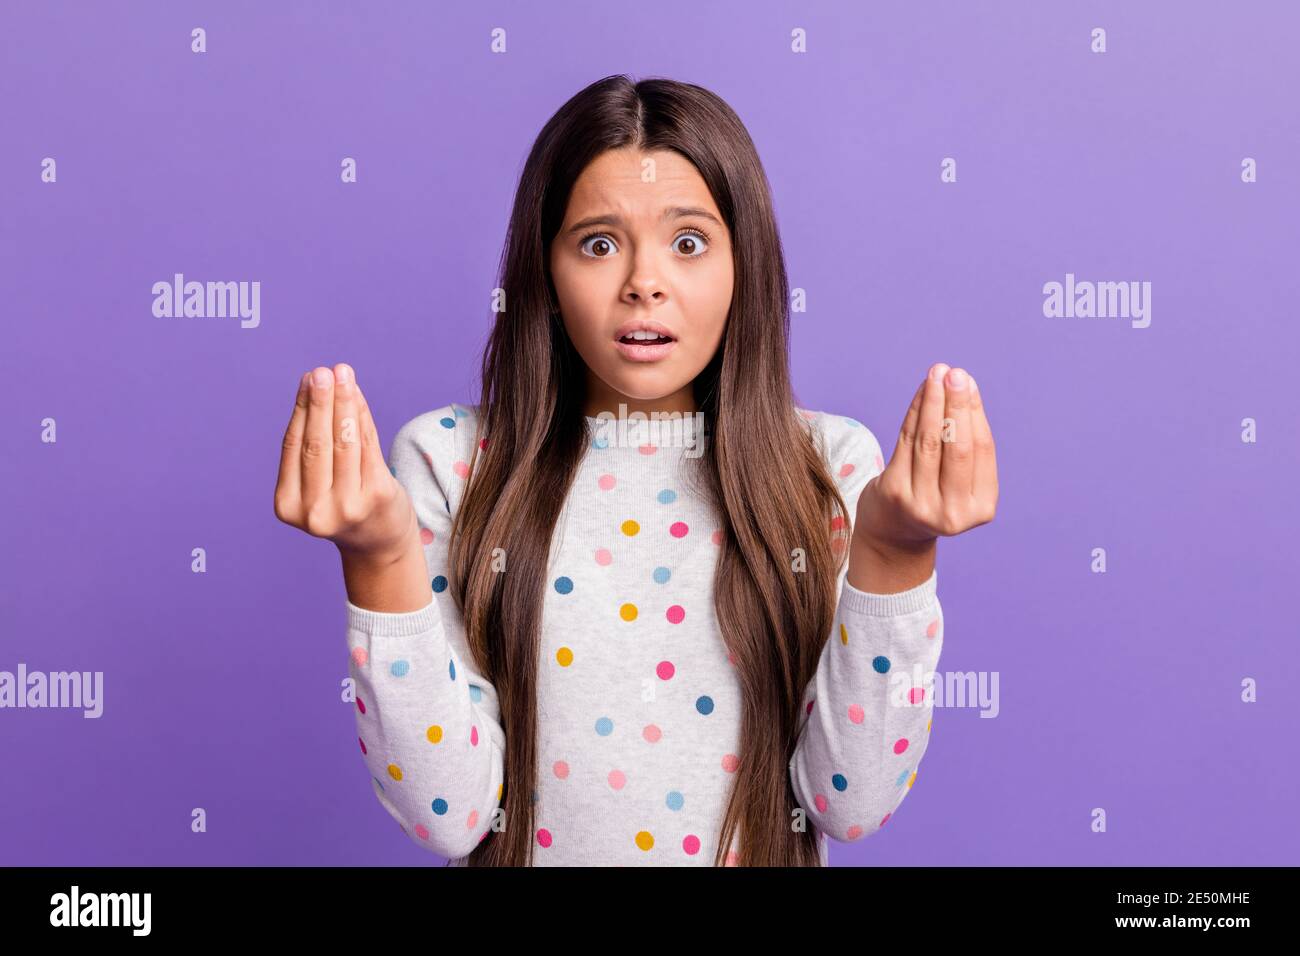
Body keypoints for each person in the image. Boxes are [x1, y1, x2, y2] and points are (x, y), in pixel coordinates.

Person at [273, 74, 998, 866]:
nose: (643, 283)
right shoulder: (451, 463)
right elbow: (449, 816)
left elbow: (850, 805)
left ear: (742, 267)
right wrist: (377, 561)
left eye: (688, 243)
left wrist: (895, 558)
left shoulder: (828, 468)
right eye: (598, 243)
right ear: (544, 277)